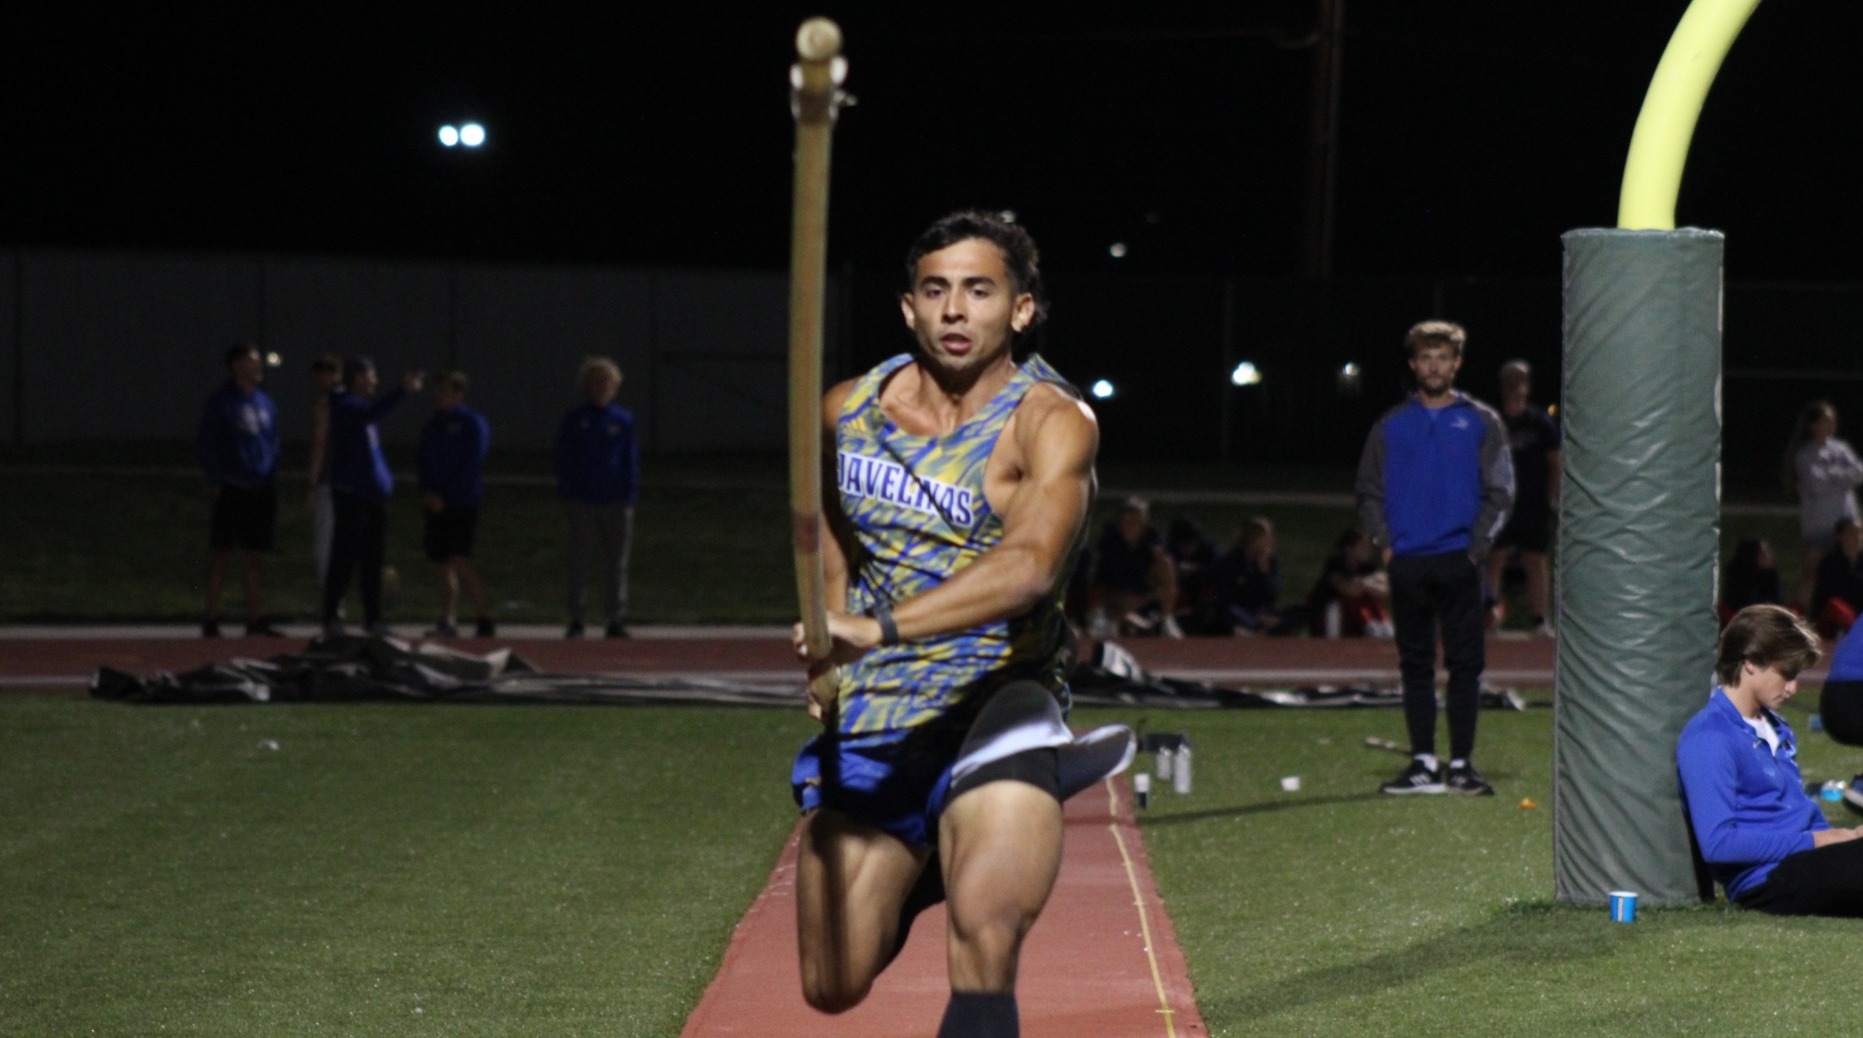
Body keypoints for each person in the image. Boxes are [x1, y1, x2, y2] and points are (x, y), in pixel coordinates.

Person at [789, 210, 1134, 1037]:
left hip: (999, 702)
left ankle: (981, 823)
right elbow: (828, 523)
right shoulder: (847, 410)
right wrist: (828, 636)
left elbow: (1029, 569)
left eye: (978, 291)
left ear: (1019, 309)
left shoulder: (1048, 420)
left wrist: (879, 627)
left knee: (984, 937)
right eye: (935, 291)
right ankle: (931, 857)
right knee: (832, 982)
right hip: (882, 710)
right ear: (907, 307)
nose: (954, 310)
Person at [1357, 320, 1514, 796]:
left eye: (1443, 357)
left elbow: (1501, 492)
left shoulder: (1481, 421)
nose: (1434, 366)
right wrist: (1386, 546)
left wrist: (1474, 551)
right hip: (1408, 563)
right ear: (1413, 364)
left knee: (1465, 666)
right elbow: (1368, 491)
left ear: (1457, 363)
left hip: (1458, 561)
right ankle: (1423, 764)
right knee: (1416, 665)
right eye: (1426, 358)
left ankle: (1462, 765)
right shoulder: (1390, 425)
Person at [1677, 604, 1863, 916]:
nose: (1793, 688)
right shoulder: (1709, 737)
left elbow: (1800, 815)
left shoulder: (1776, 727)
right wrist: (1817, 840)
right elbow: (1719, 844)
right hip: (1768, 880)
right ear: (1749, 663)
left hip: (1806, 862)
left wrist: (1844, 839)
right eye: (1786, 675)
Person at [320, 357, 423, 638]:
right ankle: (331, 616)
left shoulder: (361, 409)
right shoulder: (345, 407)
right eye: (370, 377)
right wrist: (402, 390)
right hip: (352, 496)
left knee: (373, 560)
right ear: (356, 379)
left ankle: (373, 617)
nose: (375, 382)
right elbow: (373, 413)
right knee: (345, 556)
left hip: (373, 496)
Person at [196, 342, 282, 638]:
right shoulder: (222, 401)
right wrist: (216, 479)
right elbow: (207, 441)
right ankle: (210, 617)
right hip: (233, 485)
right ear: (236, 366)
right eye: (251, 361)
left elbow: (272, 441)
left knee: (255, 555)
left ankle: (255, 619)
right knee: (221, 553)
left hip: (261, 488)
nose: (258, 367)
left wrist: (270, 472)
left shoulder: (266, 402)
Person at [555, 357, 638, 639]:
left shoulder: (623, 419)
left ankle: (614, 617)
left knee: (616, 563)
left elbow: (629, 459)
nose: (602, 386)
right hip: (582, 501)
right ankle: (576, 617)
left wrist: (629, 494)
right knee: (578, 560)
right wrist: (568, 491)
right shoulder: (575, 419)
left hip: (616, 501)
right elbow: (564, 458)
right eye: (597, 381)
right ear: (587, 386)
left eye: (608, 381)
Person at [1485, 359, 1561, 636]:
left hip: (1532, 503)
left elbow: (1555, 462)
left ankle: (1540, 619)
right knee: (1495, 559)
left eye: (1521, 381)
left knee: (1535, 560)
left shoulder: (1540, 422)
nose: (1515, 387)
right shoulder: (1493, 420)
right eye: (1511, 381)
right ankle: (1490, 617)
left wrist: (1550, 497)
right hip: (1501, 503)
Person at [417, 371, 494, 638]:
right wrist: (428, 491)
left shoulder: (472, 423)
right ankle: (447, 619)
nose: (437, 396)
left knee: (460, 558)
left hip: (462, 501)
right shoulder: (433, 424)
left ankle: (484, 616)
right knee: (443, 563)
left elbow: (470, 463)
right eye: (436, 391)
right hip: (435, 502)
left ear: (459, 393)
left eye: (445, 391)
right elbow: (424, 460)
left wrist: (446, 495)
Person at [1783, 400, 1863, 611]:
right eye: (1827, 421)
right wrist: (1843, 477)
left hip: (1846, 522)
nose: (1832, 425)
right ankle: (1796, 618)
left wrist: (1834, 477)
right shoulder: (1805, 454)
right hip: (1820, 524)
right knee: (1813, 573)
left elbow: (1859, 472)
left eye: (1833, 421)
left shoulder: (1841, 448)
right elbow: (1816, 484)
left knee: (1852, 568)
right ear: (1814, 425)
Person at [1089, 497, 1183, 638]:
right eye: (1125, 522)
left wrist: (1159, 559)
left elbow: (1166, 564)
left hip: (1143, 591)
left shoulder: (1153, 540)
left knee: (1166, 565)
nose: (1128, 527)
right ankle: (1105, 618)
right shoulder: (1111, 541)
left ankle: (1166, 619)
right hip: (1117, 593)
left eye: (1133, 522)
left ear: (1142, 524)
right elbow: (1102, 576)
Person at [1215, 516, 1304, 636]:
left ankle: (1261, 632)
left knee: (1300, 612)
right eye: (1267, 537)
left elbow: (1272, 595)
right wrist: (1256, 616)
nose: (1271, 541)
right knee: (1225, 614)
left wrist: (1264, 572)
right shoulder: (1232, 560)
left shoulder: (1270, 561)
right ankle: (1260, 632)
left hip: (1264, 612)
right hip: (1242, 611)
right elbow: (1227, 595)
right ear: (1254, 538)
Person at [1304, 527, 1392, 638]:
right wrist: (1368, 583)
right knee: (1338, 606)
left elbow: (1385, 589)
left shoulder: (1368, 567)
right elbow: (1348, 590)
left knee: (1370, 602)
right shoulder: (1336, 564)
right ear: (1349, 549)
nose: (1367, 550)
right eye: (1362, 546)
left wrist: (1361, 583)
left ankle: (1378, 625)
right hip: (1331, 615)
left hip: (1355, 616)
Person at [306, 353, 342, 604]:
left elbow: (319, 444)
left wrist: (311, 484)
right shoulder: (357, 402)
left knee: (325, 543)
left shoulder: (326, 404)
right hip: (352, 482)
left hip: (330, 480)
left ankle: (331, 599)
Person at [1165, 517, 1225, 635]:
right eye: (1183, 544)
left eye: (1191, 543)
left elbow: (1221, 567)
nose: (1187, 548)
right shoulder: (1169, 549)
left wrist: (1196, 571)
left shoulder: (1209, 548)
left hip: (1203, 595)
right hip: (1180, 594)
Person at [1810, 516, 1863, 638]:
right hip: (1836, 620)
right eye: (1852, 533)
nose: (1857, 537)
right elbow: (1825, 597)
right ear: (1840, 536)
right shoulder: (1830, 563)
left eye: (1859, 533)